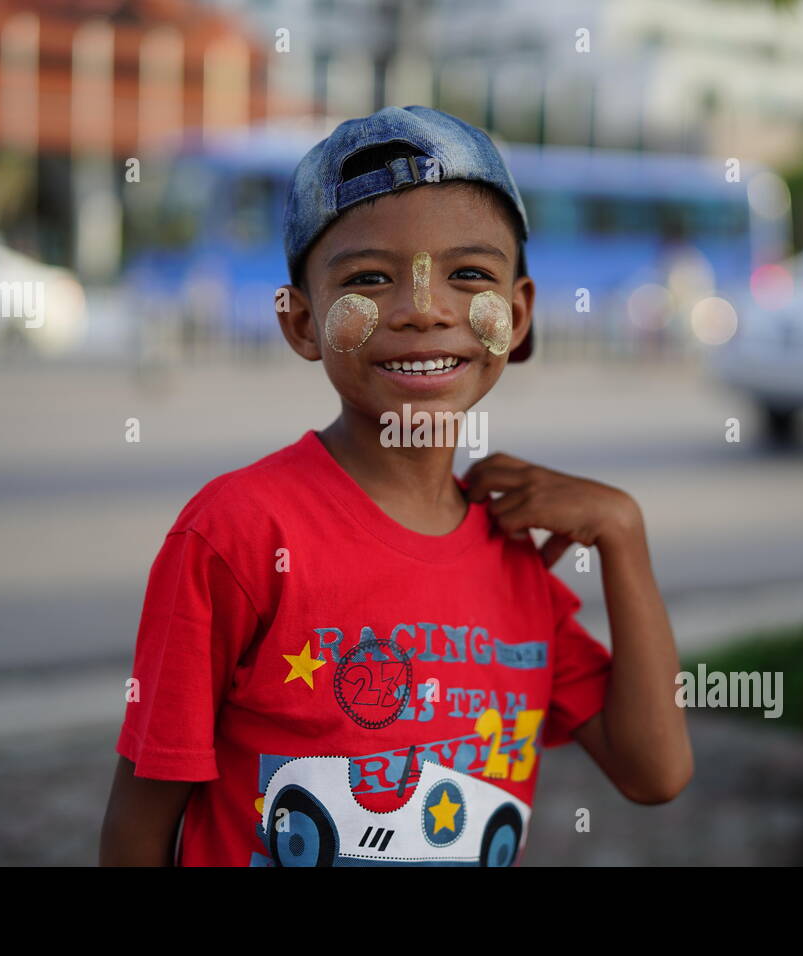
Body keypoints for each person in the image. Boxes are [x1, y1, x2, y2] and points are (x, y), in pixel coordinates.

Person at [99, 105, 693, 866]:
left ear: (514, 318)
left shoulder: (514, 551)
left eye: (468, 274)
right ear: (304, 324)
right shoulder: (238, 531)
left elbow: (655, 771)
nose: (421, 309)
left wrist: (623, 533)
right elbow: (138, 826)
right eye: (370, 279)